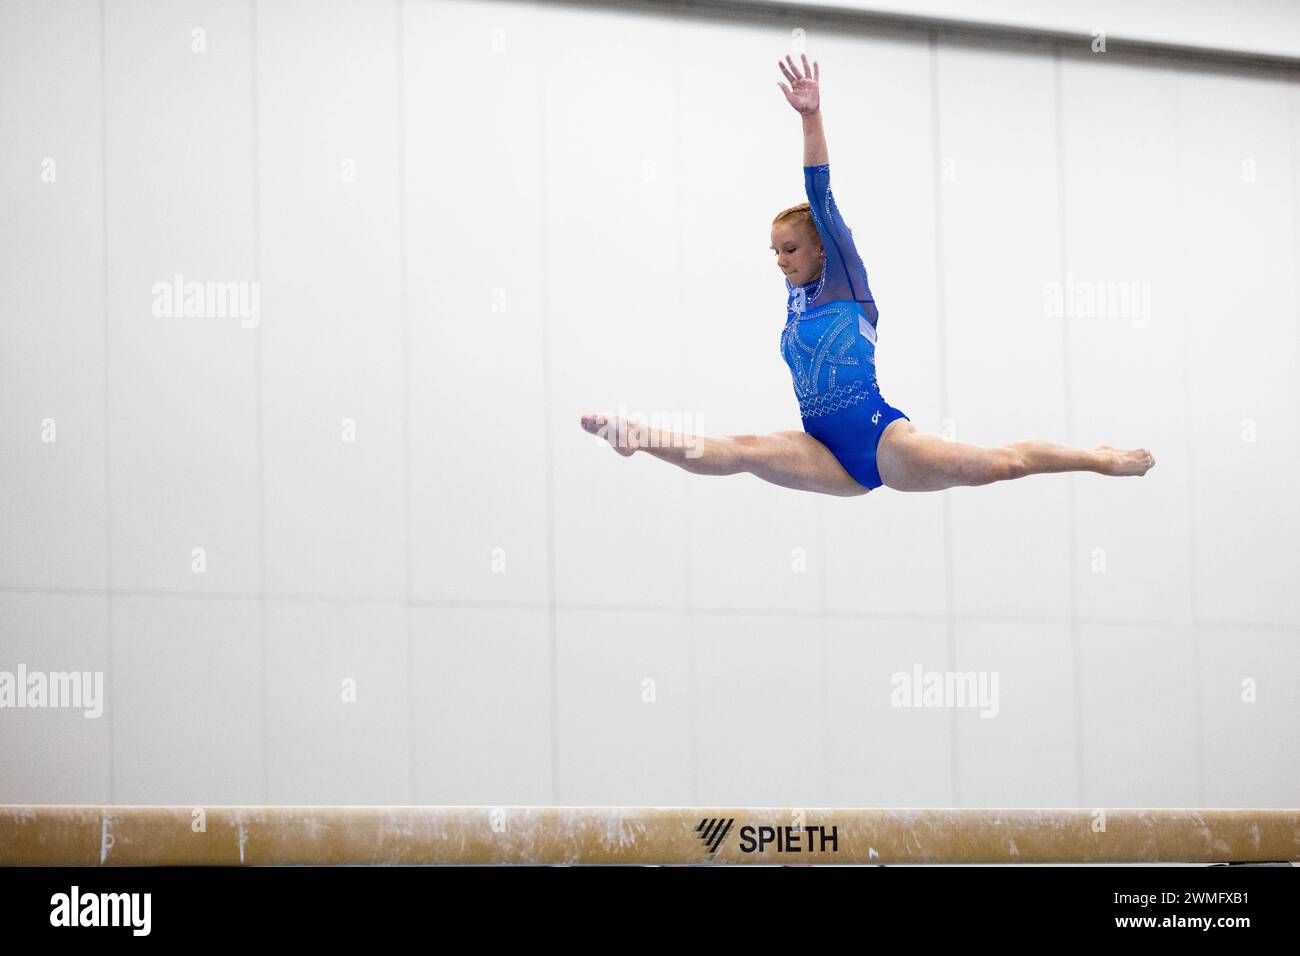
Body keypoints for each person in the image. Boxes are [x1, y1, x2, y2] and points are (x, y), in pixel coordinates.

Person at [581, 54, 1154, 496]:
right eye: (774, 252)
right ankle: (638, 436)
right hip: (823, 450)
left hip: (882, 442)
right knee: (742, 452)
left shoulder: (844, 281)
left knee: (1002, 465)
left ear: (820, 249)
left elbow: (819, 195)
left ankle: (1101, 458)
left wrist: (811, 116)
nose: (780, 261)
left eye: (789, 249)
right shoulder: (796, 298)